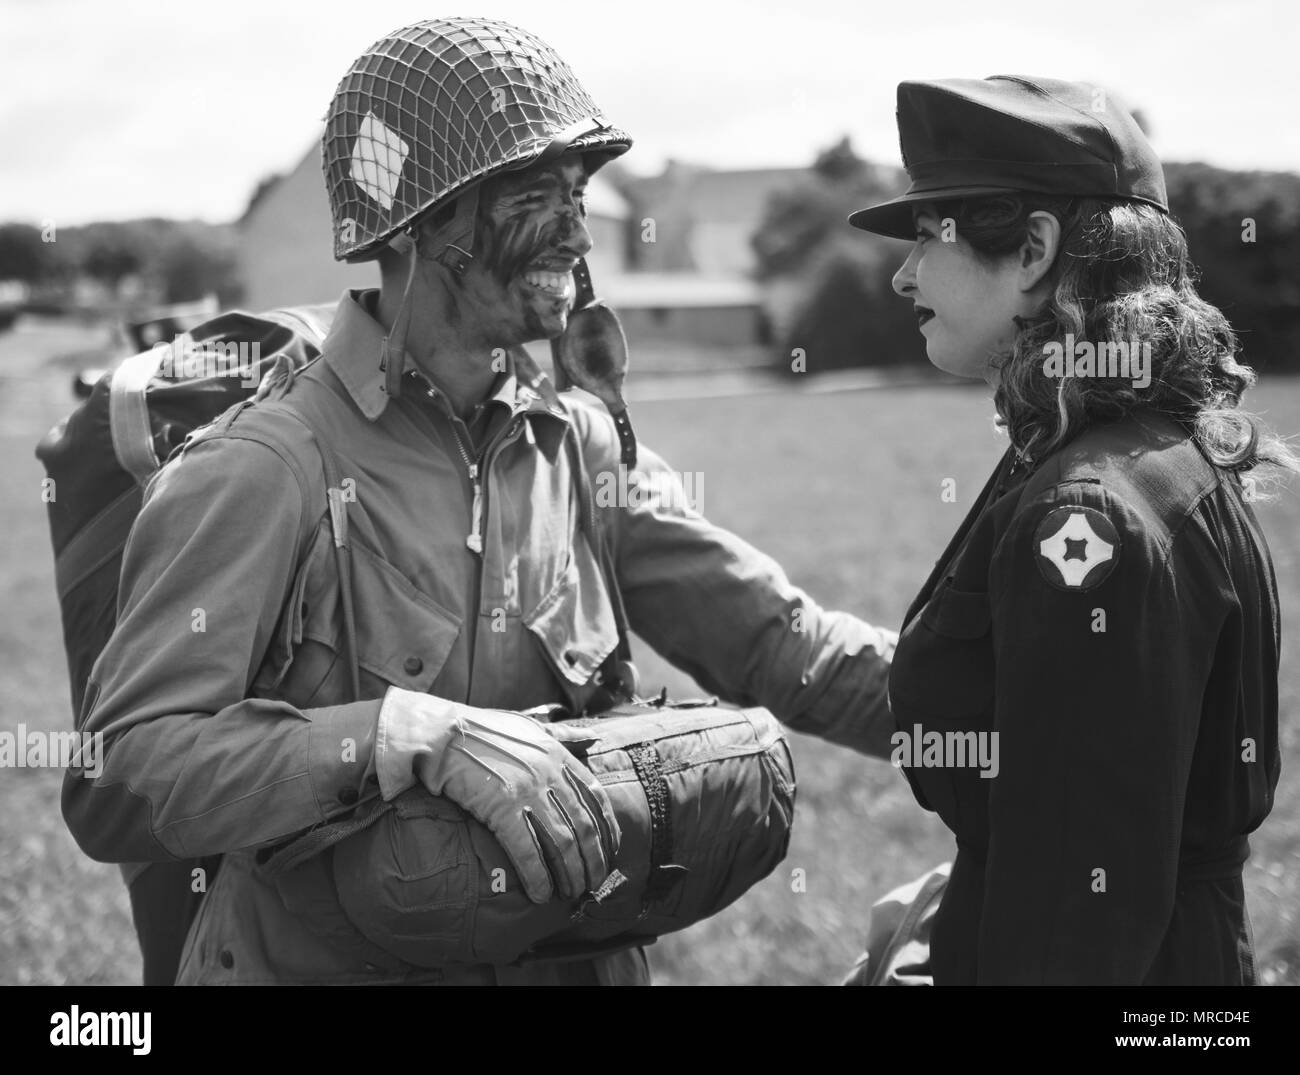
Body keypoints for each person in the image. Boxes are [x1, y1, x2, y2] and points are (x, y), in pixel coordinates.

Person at [61, 17, 896, 986]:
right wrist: (392, 736)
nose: (578, 234)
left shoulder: (577, 444)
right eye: (534, 196)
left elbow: (776, 640)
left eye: (576, 196)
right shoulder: (264, 466)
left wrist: (1002, 717)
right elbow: (119, 780)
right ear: (418, 224)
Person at [848, 75, 1295, 985]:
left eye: (927, 238)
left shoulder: (1083, 514)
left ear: (1034, 249)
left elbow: (1076, 921)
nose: (902, 274)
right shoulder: (1153, 447)